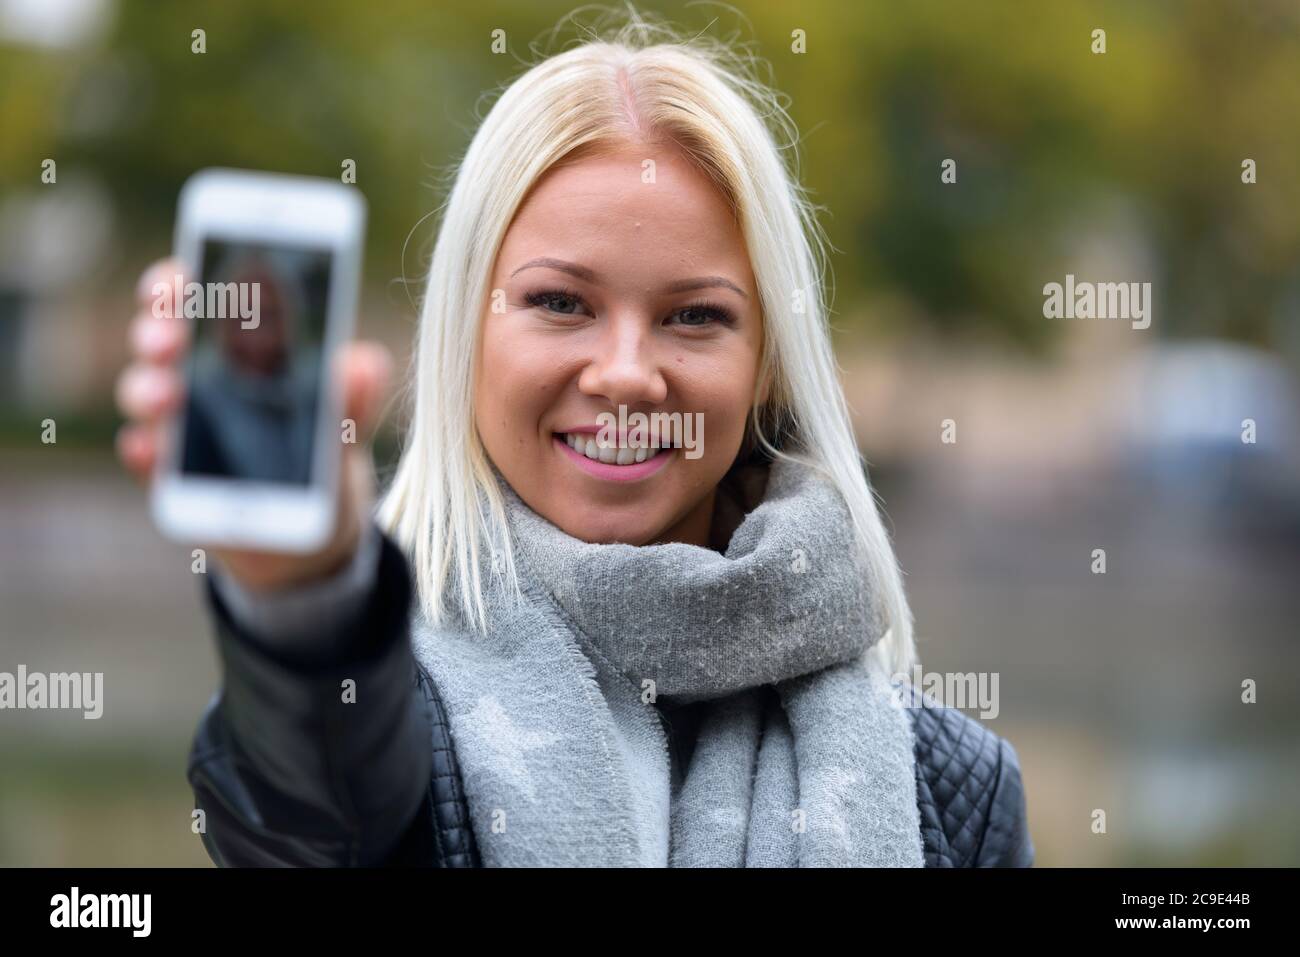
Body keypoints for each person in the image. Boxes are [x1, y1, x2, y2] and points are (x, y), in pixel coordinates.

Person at [115, 11, 1033, 867]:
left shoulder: (959, 791)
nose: (626, 373)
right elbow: (307, 809)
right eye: (560, 302)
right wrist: (306, 595)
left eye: (695, 315)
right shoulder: (381, 712)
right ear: (465, 335)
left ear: (768, 365)